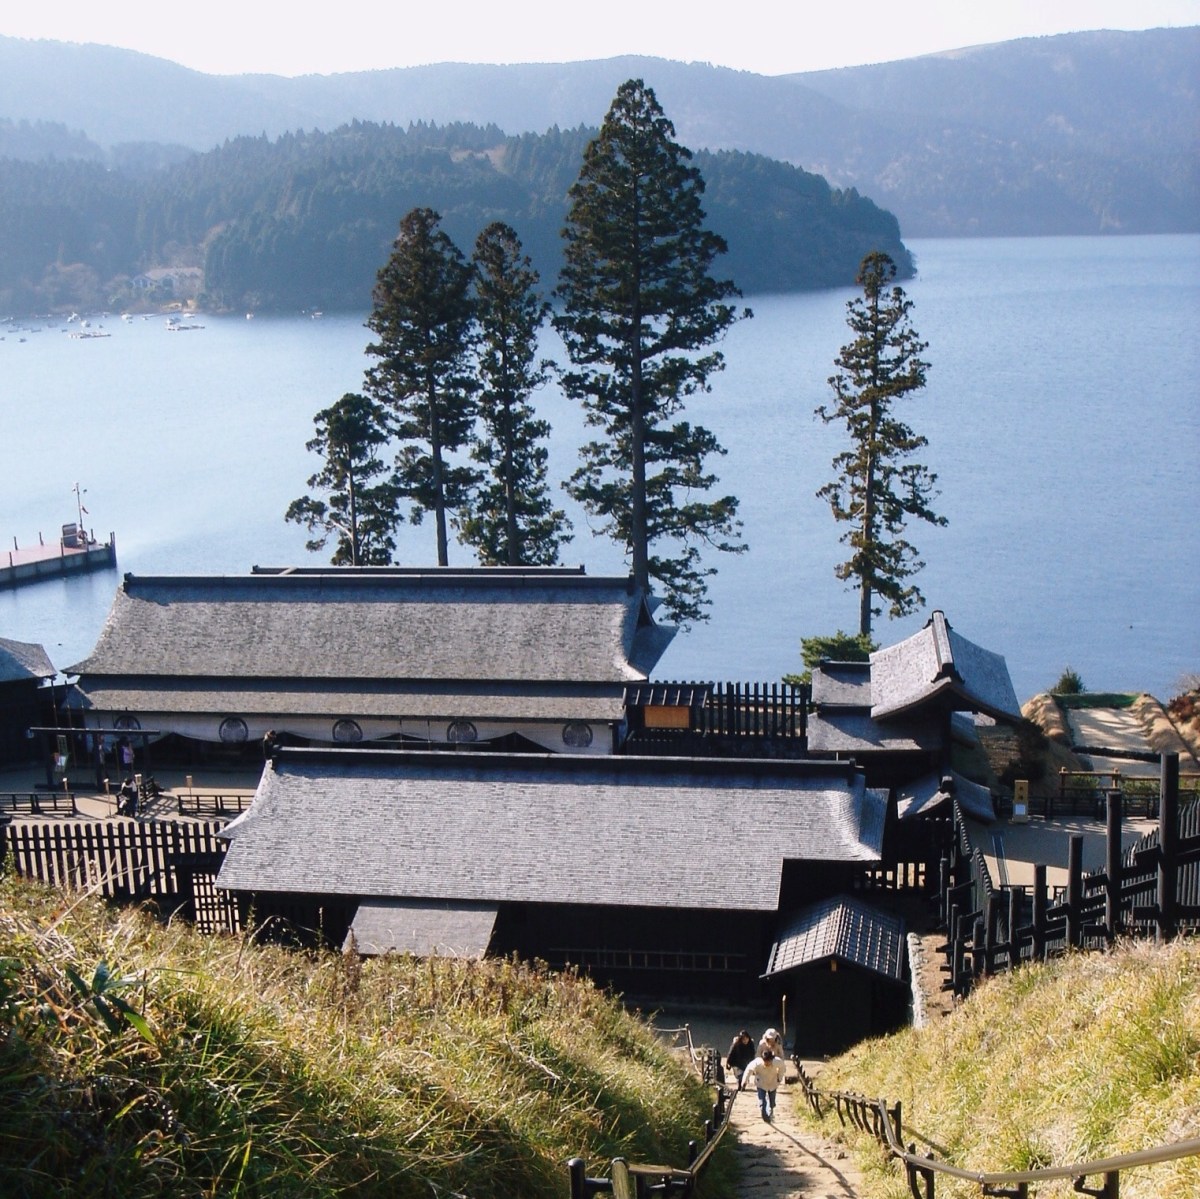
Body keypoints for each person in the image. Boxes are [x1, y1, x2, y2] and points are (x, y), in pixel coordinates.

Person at [741, 1048, 785, 1122]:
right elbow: (748, 1070)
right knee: (762, 1100)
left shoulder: (777, 1062)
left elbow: (782, 1068)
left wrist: (779, 1077)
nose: (767, 1063)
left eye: (769, 1061)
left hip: (772, 1083)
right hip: (761, 1083)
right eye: (765, 1062)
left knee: (772, 1100)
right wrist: (744, 1082)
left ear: (772, 1060)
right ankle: (764, 1112)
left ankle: (771, 1111)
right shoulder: (757, 1063)